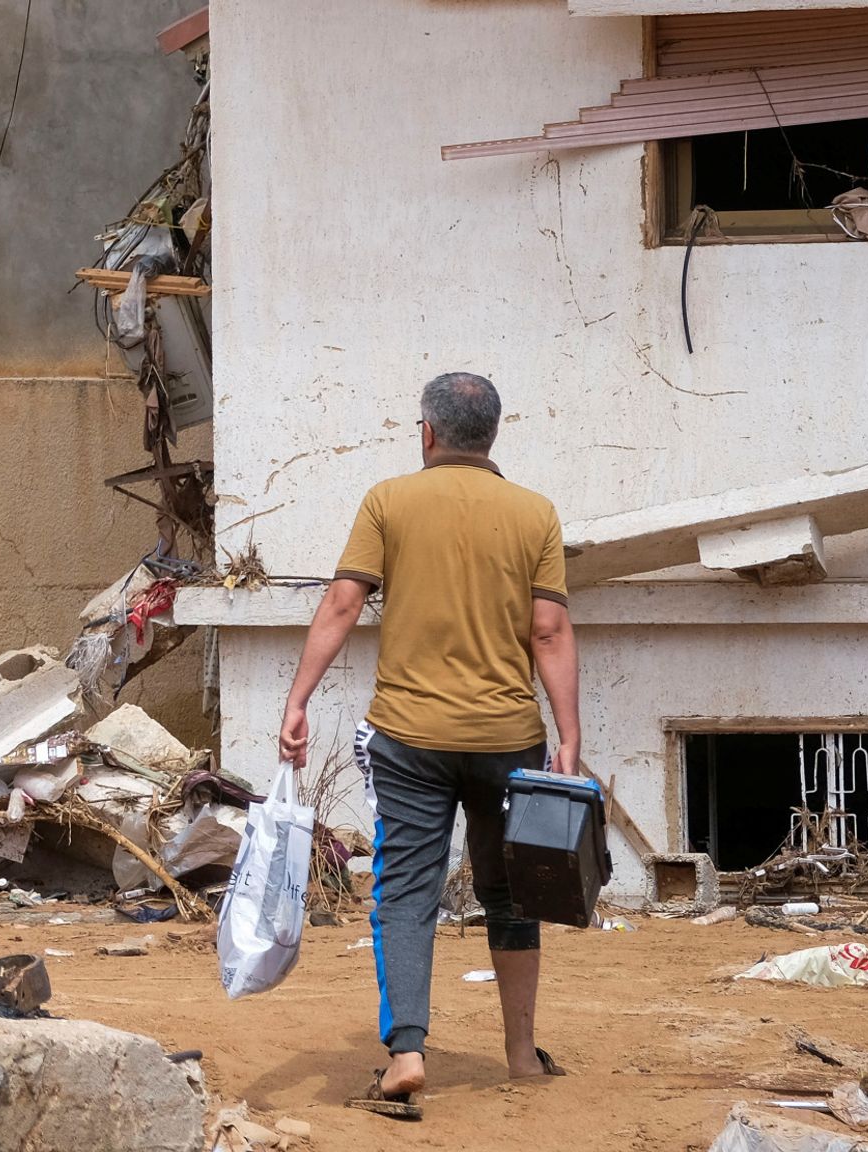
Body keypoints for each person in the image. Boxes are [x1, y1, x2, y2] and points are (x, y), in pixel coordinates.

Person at [277, 372, 580, 1120]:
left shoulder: (389, 501)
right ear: (494, 436)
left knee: (407, 890)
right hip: (509, 737)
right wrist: (569, 737)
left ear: (427, 433)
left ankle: (407, 1054)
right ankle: (518, 1054)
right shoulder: (535, 513)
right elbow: (549, 631)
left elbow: (343, 602)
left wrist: (298, 699)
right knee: (510, 890)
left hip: (409, 738)